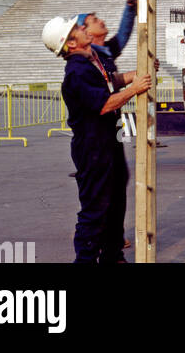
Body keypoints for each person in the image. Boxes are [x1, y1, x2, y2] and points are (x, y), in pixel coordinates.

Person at [43, 15, 150, 263]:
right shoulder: (77, 72)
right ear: (70, 43)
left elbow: (108, 83)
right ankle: (86, 260)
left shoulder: (91, 61)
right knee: (95, 210)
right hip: (93, 149)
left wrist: (135, 75)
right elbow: (103, 104)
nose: (84, 27)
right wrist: (135, 89)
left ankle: (113, 256)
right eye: (78, 28)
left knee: (114, 205)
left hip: (108, 143)